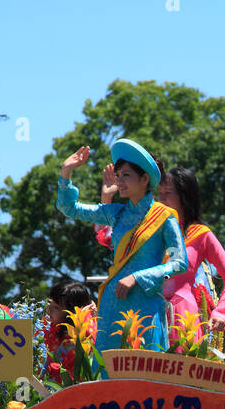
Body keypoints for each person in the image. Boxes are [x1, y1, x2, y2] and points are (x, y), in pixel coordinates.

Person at [56, 140, 187, 353]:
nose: (120, 181)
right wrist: (66, 172)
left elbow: (179, 263)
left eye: (126, 175)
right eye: (119, 175)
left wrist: (138, 277)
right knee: (110, 377)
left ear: (145, 179)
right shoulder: (115, 213)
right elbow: (68, 208)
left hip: (144, 304)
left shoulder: (164, 217)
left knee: (144, 376)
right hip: (112, 303)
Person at [156, 167, 225, 341]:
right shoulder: (152, 232)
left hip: (183, 319)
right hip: (151, 316)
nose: (161, 199)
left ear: (185, 196)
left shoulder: (200, 234)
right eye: (160, 193)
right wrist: (107, 198)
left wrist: (221, 313)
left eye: (168, 193)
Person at [43, 281, 96, 377]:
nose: (48, 309)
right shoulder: (48, 324)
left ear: (72, 312)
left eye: (56, 307)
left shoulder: (85, 332)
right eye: (49, 303)